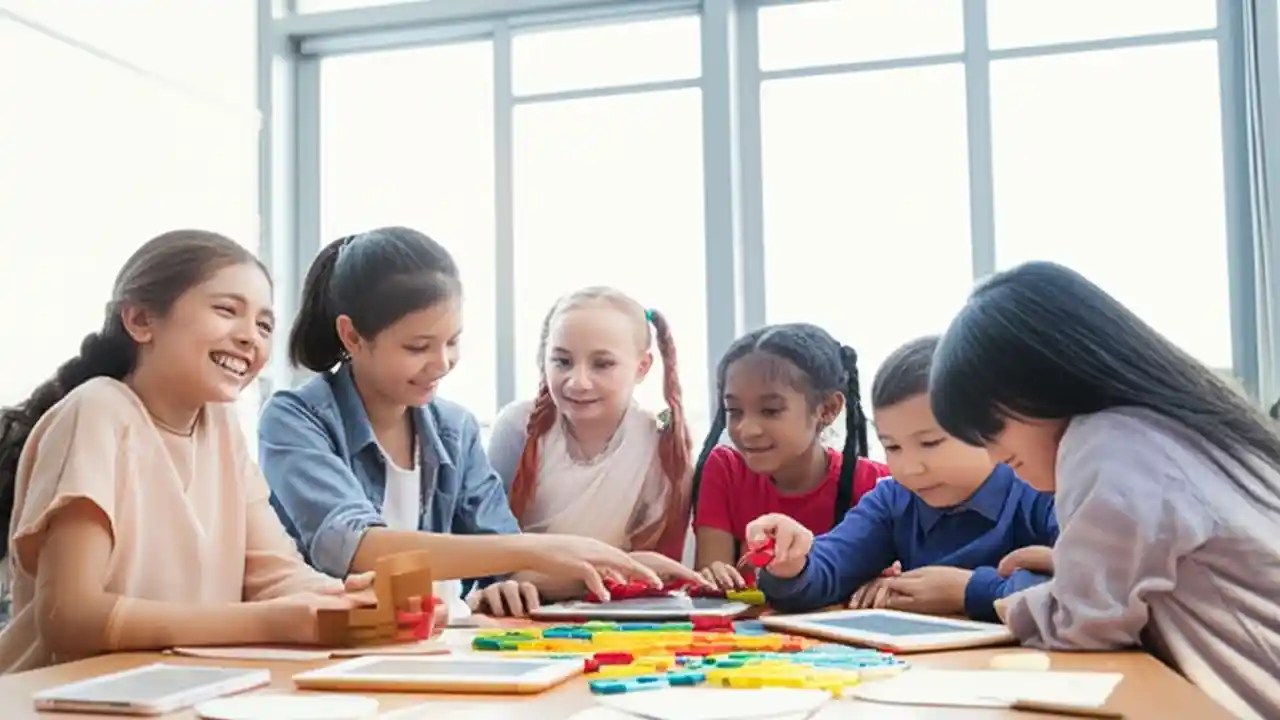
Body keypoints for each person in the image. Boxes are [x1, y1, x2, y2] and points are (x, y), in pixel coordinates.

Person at [0, 231, 372, 673]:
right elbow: (70, 617)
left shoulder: (221, 428)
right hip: (51, 699)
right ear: (140, 320)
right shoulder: (98, 410)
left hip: (171, 692)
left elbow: (277, 575)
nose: (250, 337)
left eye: (264, 325)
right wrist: (265, 622)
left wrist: (354, 603)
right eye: (226, 310)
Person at [258, 228, 676, 614]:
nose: (441, 363)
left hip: (425, 646)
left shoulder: (452, 429)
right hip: (325, 650)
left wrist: (617, 567)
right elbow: (354, 548)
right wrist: (535, 550)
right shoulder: (295, 420)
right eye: (418, 346)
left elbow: (505, 559)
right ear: (352, 336)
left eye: (453, 342)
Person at [930, 260, 1280, 720]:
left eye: (991, 428)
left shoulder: (1109, 442)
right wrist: (1071, 565)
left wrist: (990, 592)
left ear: (1049, 377)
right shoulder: (1180, 427)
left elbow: (1085, 623)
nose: (996, 456)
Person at [745, 336, 1057, 621]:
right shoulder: (894, 499)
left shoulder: (1040, 491)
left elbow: (1084, 590)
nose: (909, 468)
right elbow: (829, 569)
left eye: (930, 443)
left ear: (989, 426)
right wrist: (791, 562)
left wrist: (966, 591)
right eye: (892, 446)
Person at [485, 287, 694, 615]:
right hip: (518, 610)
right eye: (562, 361)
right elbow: (490, 557)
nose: (578, 381)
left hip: (616, 613)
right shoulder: (517, 428)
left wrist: (558, 578)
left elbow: (655, 572)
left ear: (642, 367)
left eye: (602, 364)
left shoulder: (661, 445)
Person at [691, 324, 891, 589]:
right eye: (734, 410)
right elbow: (712, 576)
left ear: (827, 409)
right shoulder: (726, 470)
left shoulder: (877, 485)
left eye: (770, 410)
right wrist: (713, 575)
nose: (746, 429)